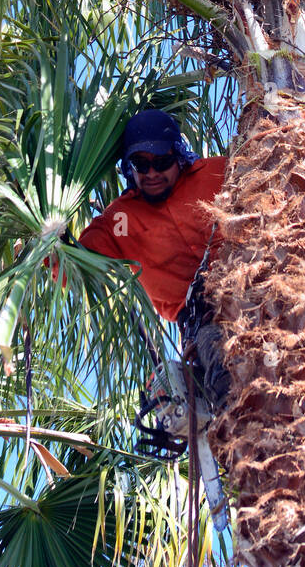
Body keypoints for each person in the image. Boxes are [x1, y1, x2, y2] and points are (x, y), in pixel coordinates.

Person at [78, 109, 231, 417]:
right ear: (128, 168)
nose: (151, 173)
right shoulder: (121, 219)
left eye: (161, 162)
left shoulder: (218, 172)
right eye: (141, 164)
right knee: (227, 367)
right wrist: (45, 241)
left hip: (261, 285)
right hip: (206, 318)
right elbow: (78, 265)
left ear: (179, 155)